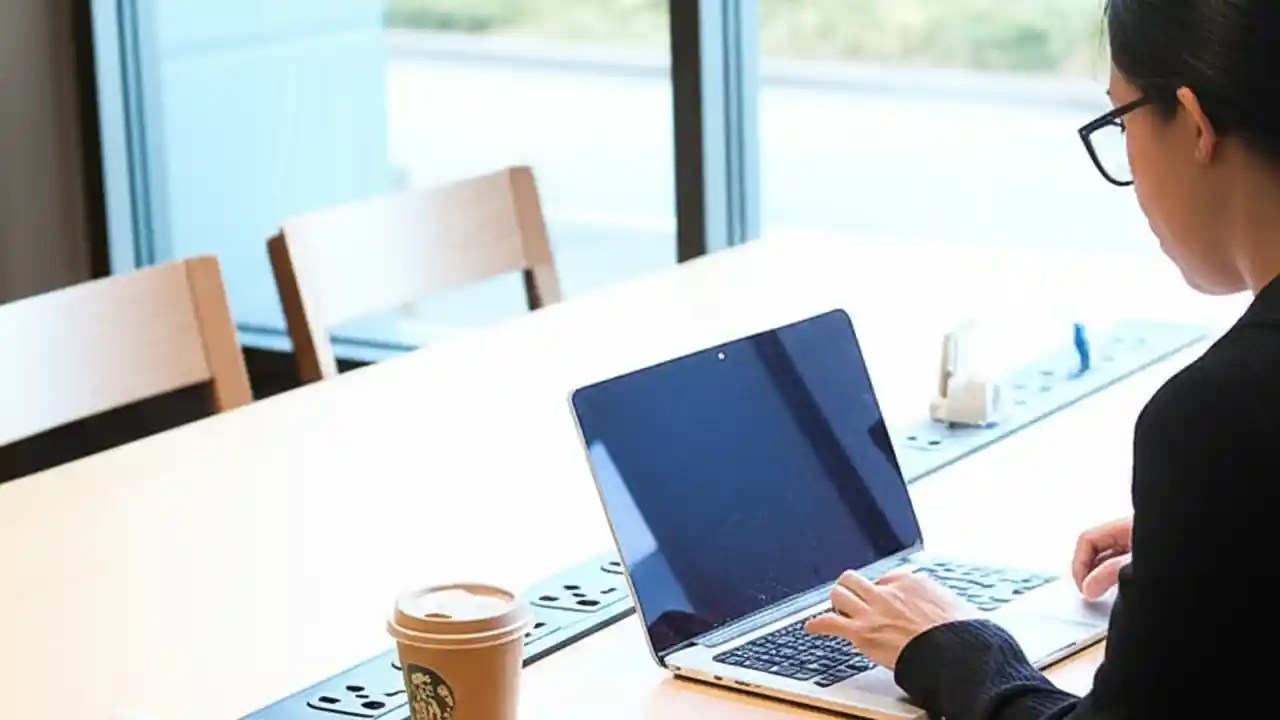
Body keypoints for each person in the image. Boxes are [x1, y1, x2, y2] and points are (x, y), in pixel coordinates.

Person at [804, 0, 1280, 717]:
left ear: (1195, 122)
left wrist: (952, 642)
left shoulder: (1217, 417)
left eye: (1120, 121)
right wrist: (1212, 536)